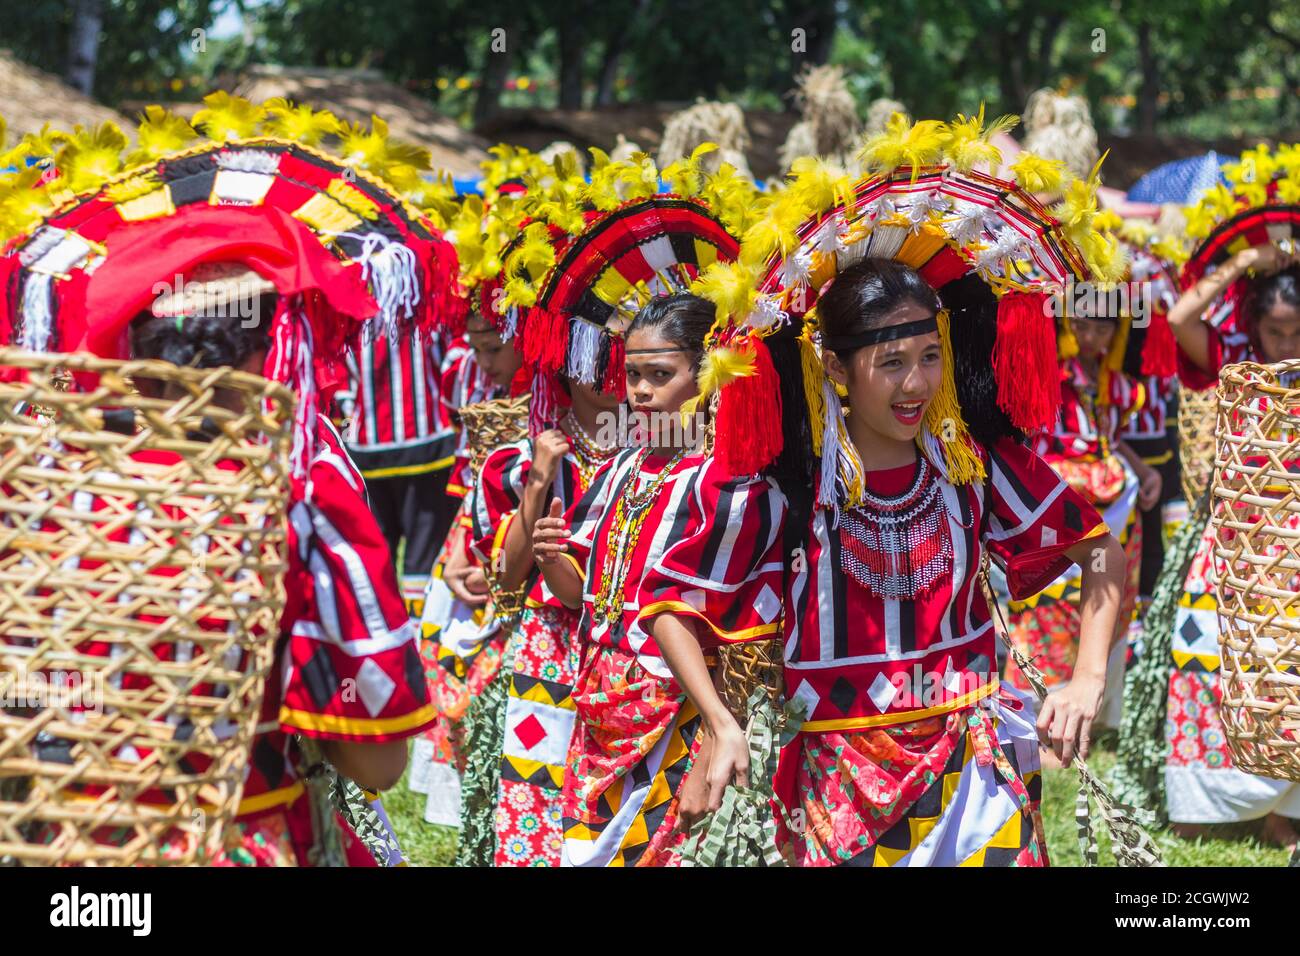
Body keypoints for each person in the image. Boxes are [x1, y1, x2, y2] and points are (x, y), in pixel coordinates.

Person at [0, 100, 455, 863]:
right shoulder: (301, 493)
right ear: (269, 353)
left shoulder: (39, 483)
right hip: (234, 836)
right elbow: (376, 761)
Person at [691, 117, 1128, 866]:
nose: (919, 383)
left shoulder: (974, 467)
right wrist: (719, 726)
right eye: (892, 362)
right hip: (834, 784)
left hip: (974, 770)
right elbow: (688, 610)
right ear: (833, 368)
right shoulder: (786, 489)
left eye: (931, 355)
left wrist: (1087, 679)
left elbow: (1099, 555)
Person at [533, 293, 787, 867]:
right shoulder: (621, 464)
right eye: (633, 376)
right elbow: (582, 591)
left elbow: (736, 628)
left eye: (660, 375)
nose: (641, 393)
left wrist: (720, 724)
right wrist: (553, 558)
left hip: (680, 707)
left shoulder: (728, 482)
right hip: (600, 696)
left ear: (708, 376)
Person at [1160, 151, 1300, 845]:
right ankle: (1207, 803)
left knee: (1289, 669)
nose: (1283, 345)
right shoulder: (1233, 358)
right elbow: (1179, 314)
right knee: (1209, 654)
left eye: (1295, 333)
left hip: (1295, 546)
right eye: (1275, 331)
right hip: (1235, 542)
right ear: (1254, 323)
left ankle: (1286, 810)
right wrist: (1249, 261)